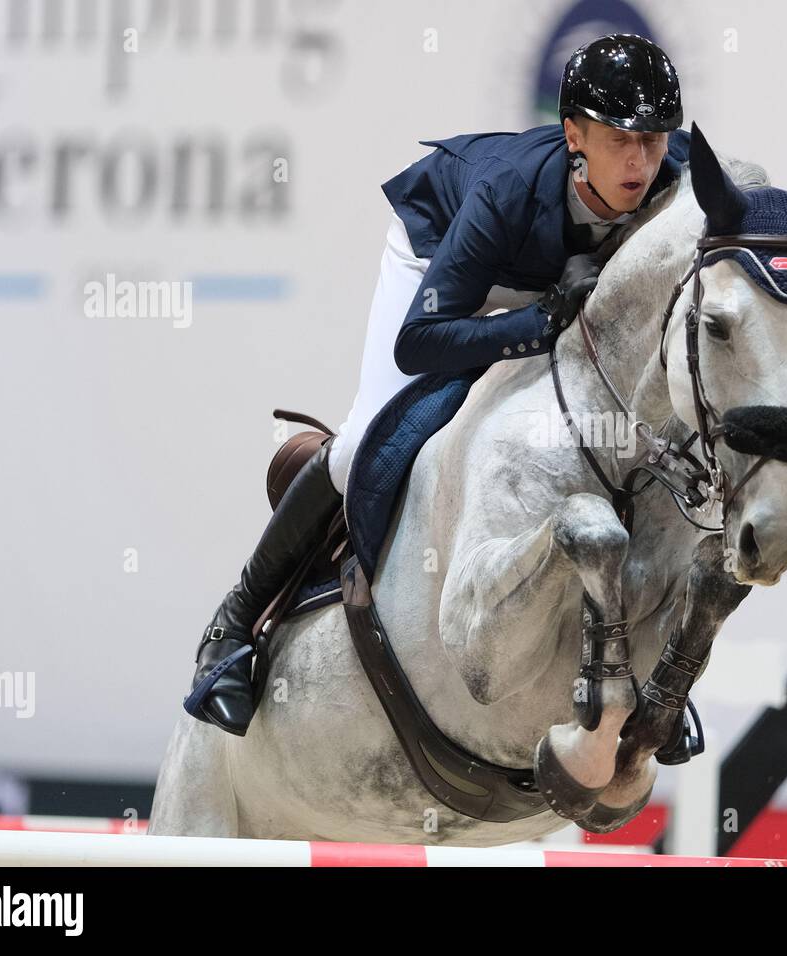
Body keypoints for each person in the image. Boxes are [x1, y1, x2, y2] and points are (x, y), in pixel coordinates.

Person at [184, 33, 692, 737]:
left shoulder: (676, 176)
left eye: (655, 140)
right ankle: (233, 628)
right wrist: (540, 322)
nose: (640, 160)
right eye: (618, 140)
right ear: (573, 132)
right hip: (446, 271)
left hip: (550, 288)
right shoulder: (504, 193)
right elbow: (421, 341)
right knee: (365, 439)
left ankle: (653, 666)